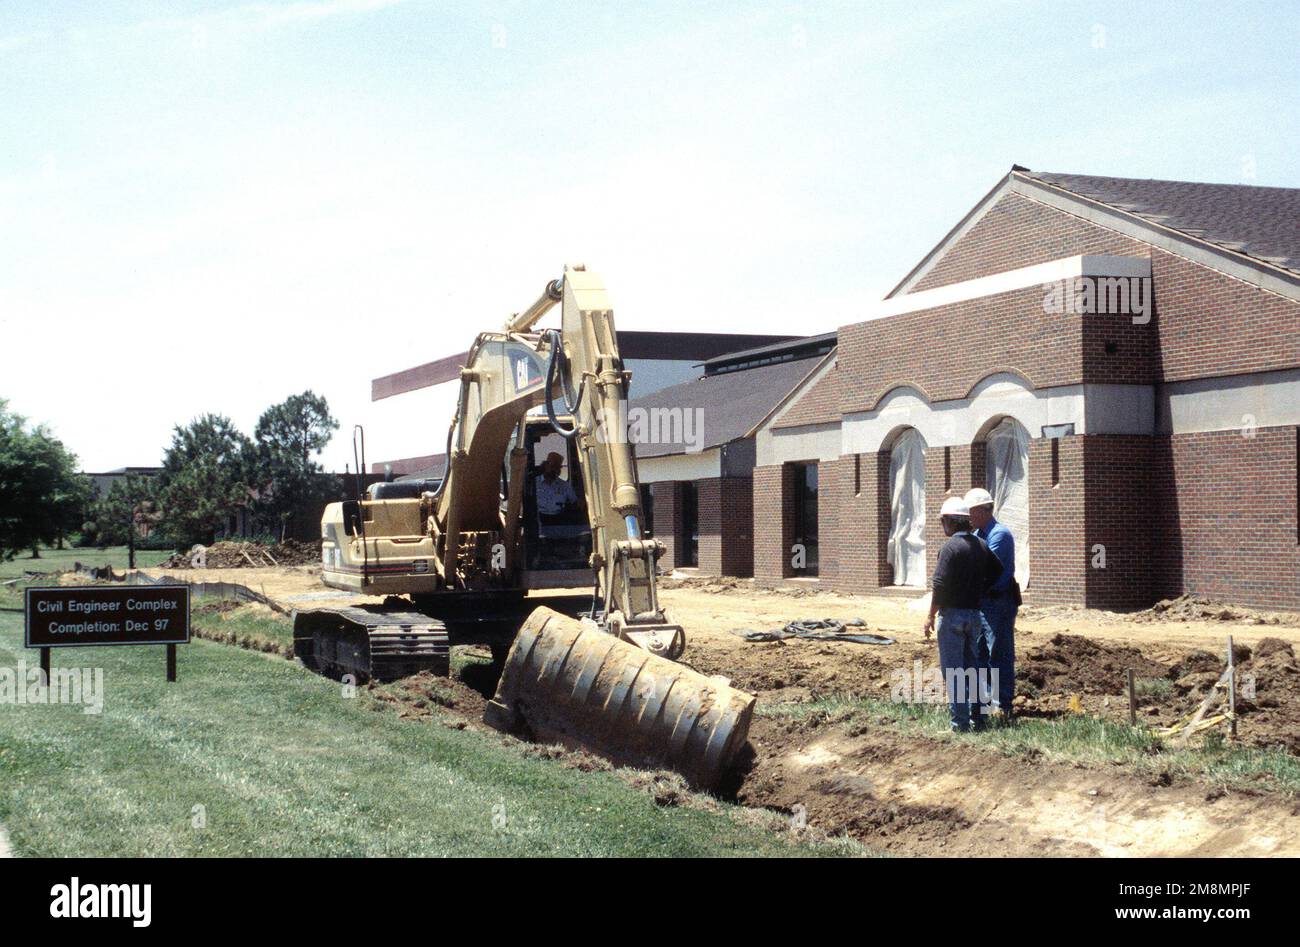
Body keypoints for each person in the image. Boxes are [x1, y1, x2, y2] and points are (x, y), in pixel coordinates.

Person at [924, 496, 1003, 732]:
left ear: (950, 521)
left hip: (952, 617)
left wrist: (930, 615)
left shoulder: (949, 548)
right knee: (973, 670)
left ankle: (960, 724)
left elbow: (939, 583)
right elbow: (996, 571)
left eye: (942, 521)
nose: (942, 526)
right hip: (974, 616)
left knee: (954, 673)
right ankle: (980, 719)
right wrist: (977, 589)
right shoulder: (980, 545)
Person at [964, 487, 1018, 721]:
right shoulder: (978, 535)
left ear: (984, 510)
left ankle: (1002, 704)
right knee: (981, 652)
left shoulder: (999, 535)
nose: (968, 517)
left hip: (999, 601)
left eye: (971, 512)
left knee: (999, 651)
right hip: (982, 602)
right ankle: (985, 701)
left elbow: (984, 568)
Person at [536, 451, 578, 516]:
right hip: (538, 519)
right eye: (552, 466)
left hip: (559, 520)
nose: (553, 470)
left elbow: (575, 502)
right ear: (545, 465)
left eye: (556, 467)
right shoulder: (533, 483)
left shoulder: (565, 486)